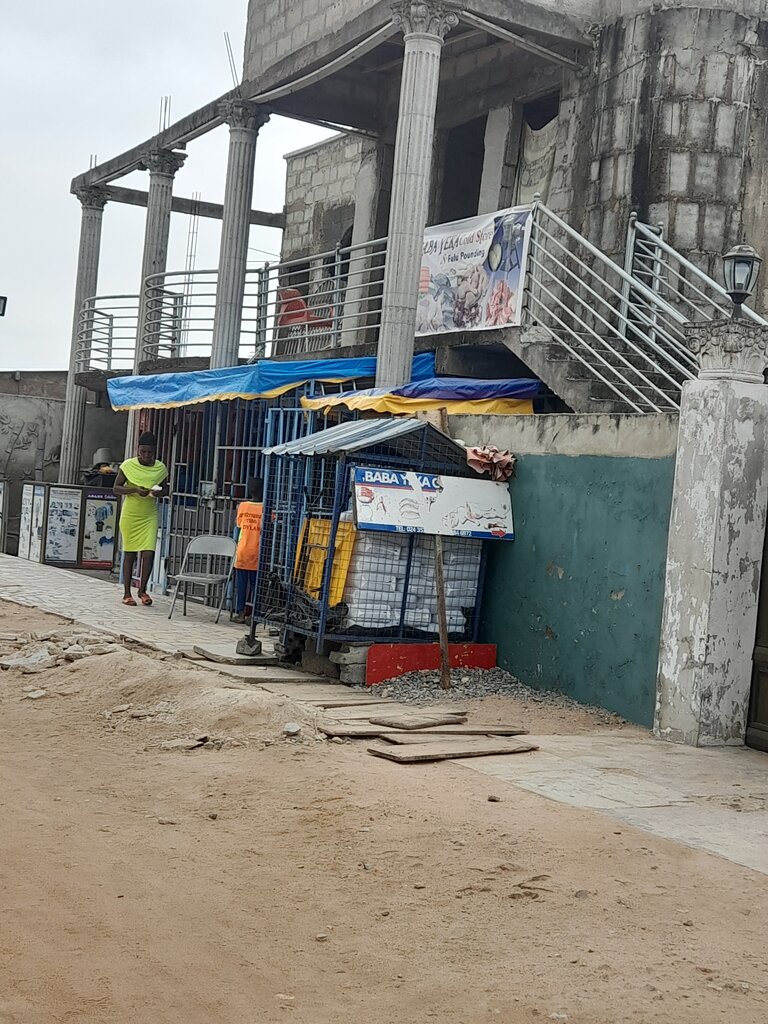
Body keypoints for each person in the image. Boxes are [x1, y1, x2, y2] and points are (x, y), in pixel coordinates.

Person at [113, 432, 169, 607]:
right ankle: (127, 593)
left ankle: (142, 590)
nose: (146, 456)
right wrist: (135, 490)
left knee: (148, 553)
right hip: (131, 514)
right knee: (129, 554)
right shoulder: (128, 466)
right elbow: (116, 488)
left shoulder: (160, 468)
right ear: (138, 450)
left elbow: (167, 489)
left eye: (150, 452)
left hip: (149, 514)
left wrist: (159, 492)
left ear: (155, 452)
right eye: (143, 452)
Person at [233, 477, 264, 624]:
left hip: (242, 550)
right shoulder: (266, 507)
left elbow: (238, 526)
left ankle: (240, 613)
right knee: (256, 585)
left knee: (241, 585)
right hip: (258, 552)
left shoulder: (243, 506)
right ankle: (255, 614)